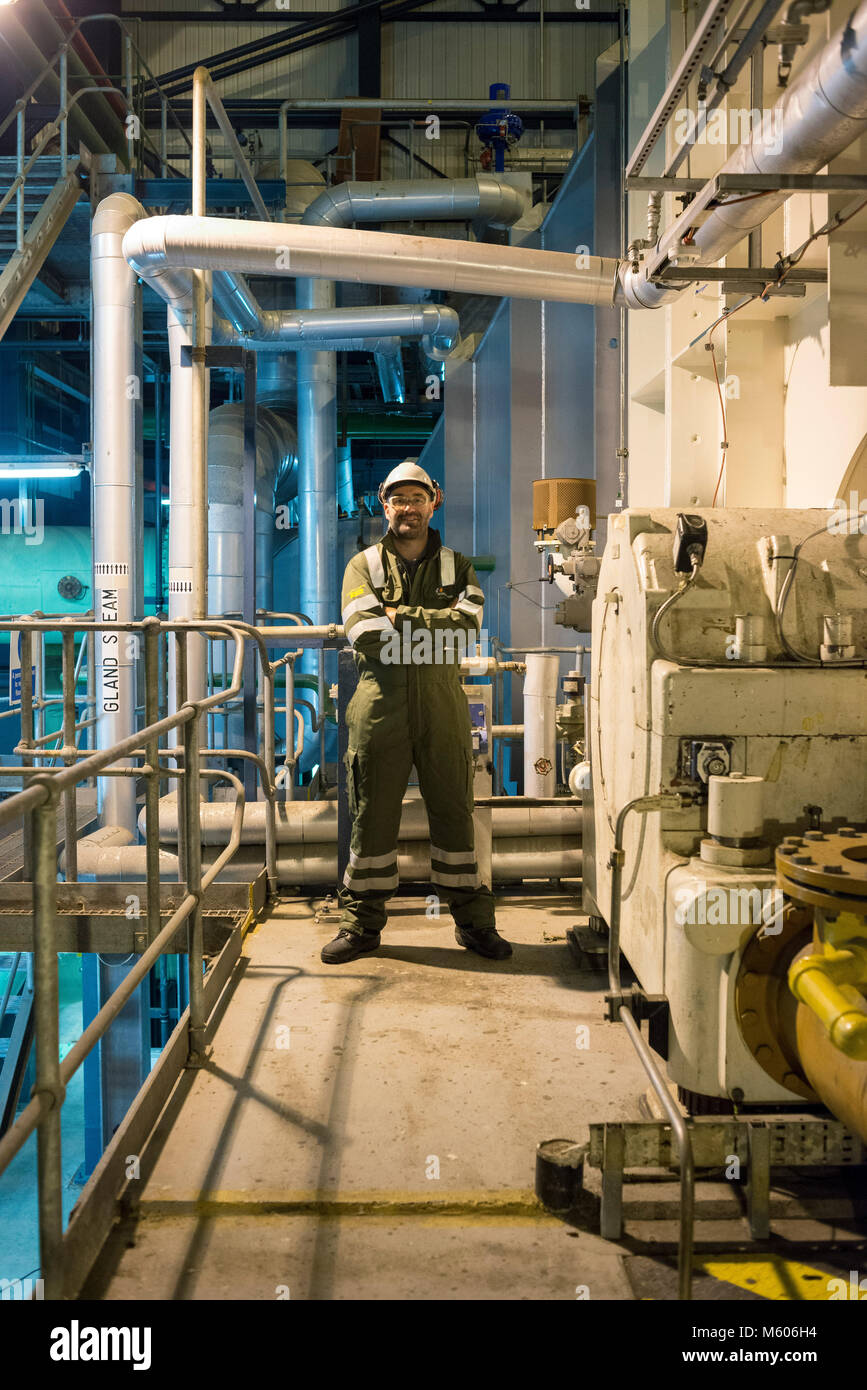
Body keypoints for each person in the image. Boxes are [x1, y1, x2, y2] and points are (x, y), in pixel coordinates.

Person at [321, 460, 513, 964]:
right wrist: (430, 628)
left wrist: (398, 618)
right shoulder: (361, 565)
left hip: (443, 708)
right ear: (384, 504)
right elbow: (365, 635)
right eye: (398, 499)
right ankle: (360, 926)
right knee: (371, 819)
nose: (408, 508)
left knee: (456, 815)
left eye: (417, 498)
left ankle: (474, 924)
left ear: (435, 500)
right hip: (378, 708)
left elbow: (464, 633)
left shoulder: (459, 566)